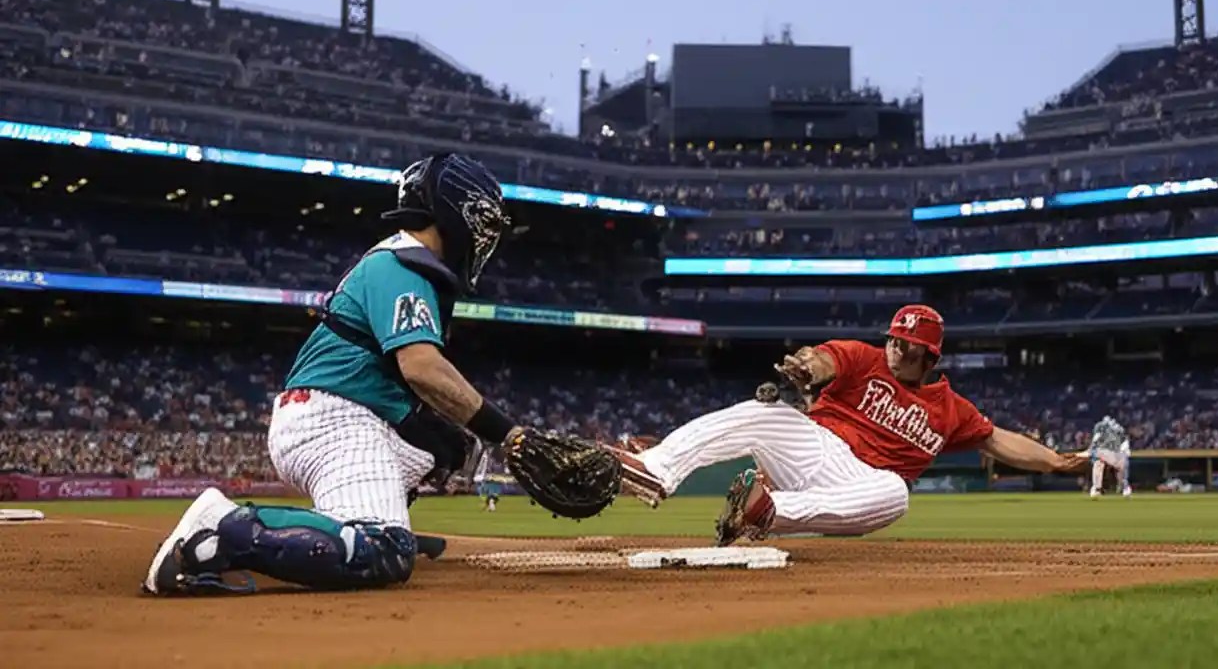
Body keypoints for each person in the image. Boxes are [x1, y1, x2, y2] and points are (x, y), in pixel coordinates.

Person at [142, 153, 524, 596]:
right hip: (333, 418)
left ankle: (363, 513)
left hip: (341, 413)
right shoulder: (402, 265)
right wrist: (508, 433)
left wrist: (455, 436)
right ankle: (220, 528)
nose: (484, 233)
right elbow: (421, 368)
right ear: (452, 209)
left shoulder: (410, 268)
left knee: (444, 444)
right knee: (383, 549)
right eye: (480, 217)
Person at [609, 305, 1089, 546]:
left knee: (898, 495)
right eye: (895, 340)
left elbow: (1000, 441)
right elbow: (824, 361)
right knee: (766, 412)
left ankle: (763, 513)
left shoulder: (952, 410)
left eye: (908, 346)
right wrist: (807, 368)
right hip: (817, 445)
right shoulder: (863, 357)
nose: (897, 349)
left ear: (930, 355)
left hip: (865, 483)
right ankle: (655, 469)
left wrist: (1059, 462)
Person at [1088, 415, 1131, 498]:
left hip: (1116, 451)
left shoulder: (1119, 430)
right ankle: (1097, 488)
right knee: (1098, 464)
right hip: (1104, 452)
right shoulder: (1100, 429)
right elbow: (1095, 442)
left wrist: (1124, 452)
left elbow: (1124, 441)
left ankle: (1125, 487)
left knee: (1121, 467)